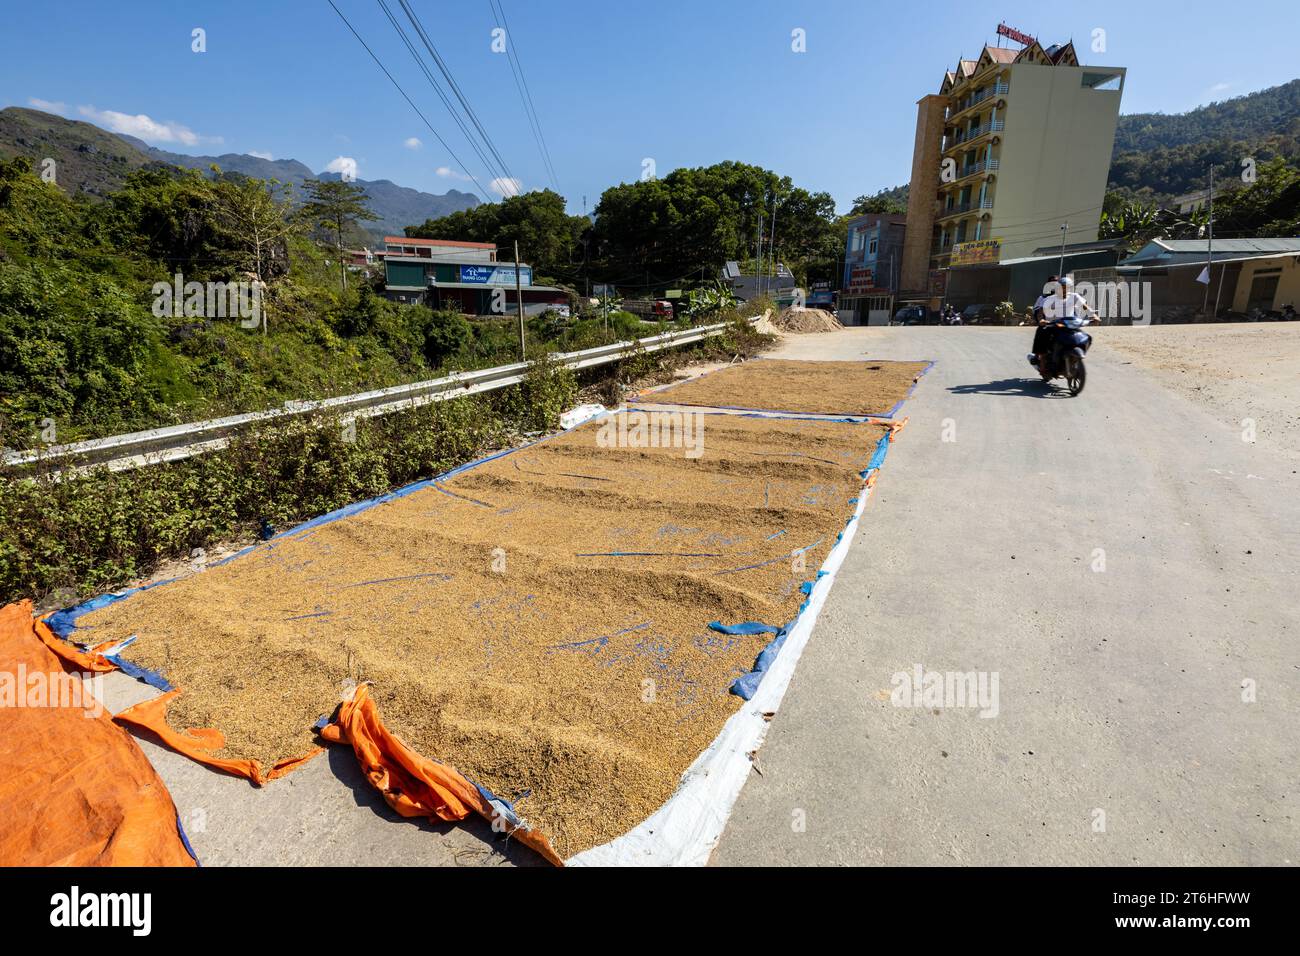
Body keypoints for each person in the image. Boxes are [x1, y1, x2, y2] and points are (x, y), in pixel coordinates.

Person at [1030, 276, 1098, 372]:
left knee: (1085, 337)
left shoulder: (1075, 296)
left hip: (1070, 323)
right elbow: (1041, 311)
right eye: (1062, 287)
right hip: (1054, 325)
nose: (1064, 290)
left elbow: (1085, 307)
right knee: (1042, 332)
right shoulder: (1049, 299)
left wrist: (1093, 316)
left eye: (1067, 287)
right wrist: (1041, 320)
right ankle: (1042, 362)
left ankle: (1073, 358)